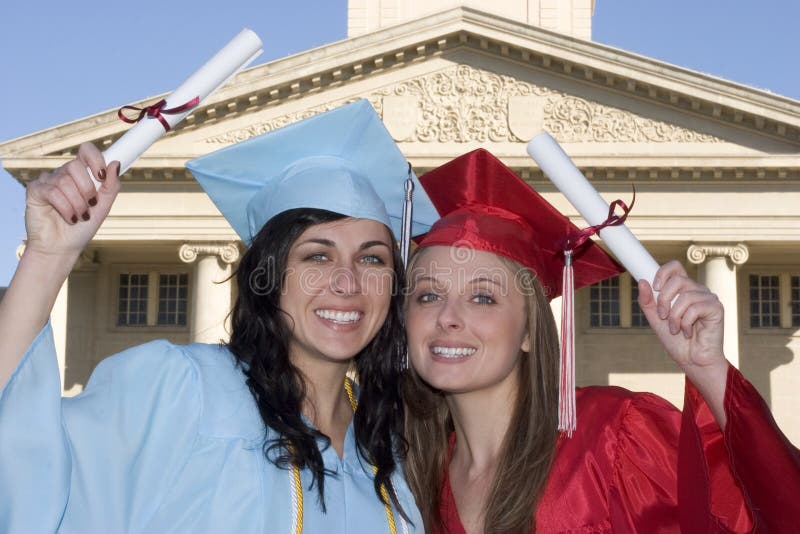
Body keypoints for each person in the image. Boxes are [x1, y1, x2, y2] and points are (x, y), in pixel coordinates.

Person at [0, 100, 438, 533]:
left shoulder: (386, 446)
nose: (348, 282)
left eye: (374, 259)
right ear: (268, 275)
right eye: (317, 256)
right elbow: (23, 456)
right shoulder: (181, 390)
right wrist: (48, 257)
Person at [402, 148, 800, 533]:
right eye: (428, 295)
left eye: (483, 297)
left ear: (528, 332)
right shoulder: (412, 486)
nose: (448, 317)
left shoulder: (617, 439)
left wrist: (708, 371)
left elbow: (768, 514)